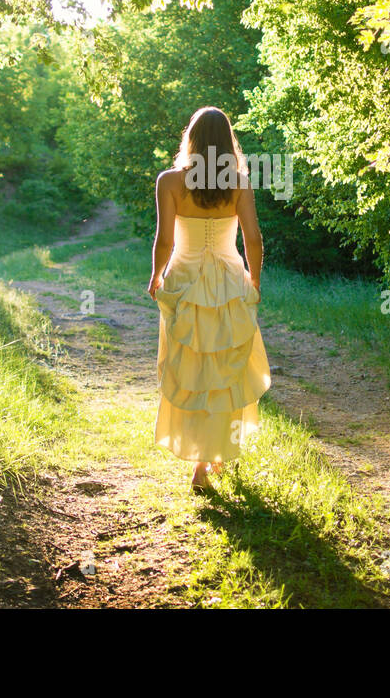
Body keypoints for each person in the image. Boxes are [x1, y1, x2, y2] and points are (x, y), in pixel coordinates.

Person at [147, 106, 271, 492]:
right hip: (229, 282)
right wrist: (255, 280)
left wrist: (156, 275)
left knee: (193, 372)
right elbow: (253, 239)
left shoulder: (169, 182)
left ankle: (204, 458)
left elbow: (165, 239)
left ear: (192, 139)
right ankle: (211, 456)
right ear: (226, 142)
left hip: (185, 281)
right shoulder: (239, 181)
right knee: (222, 372)